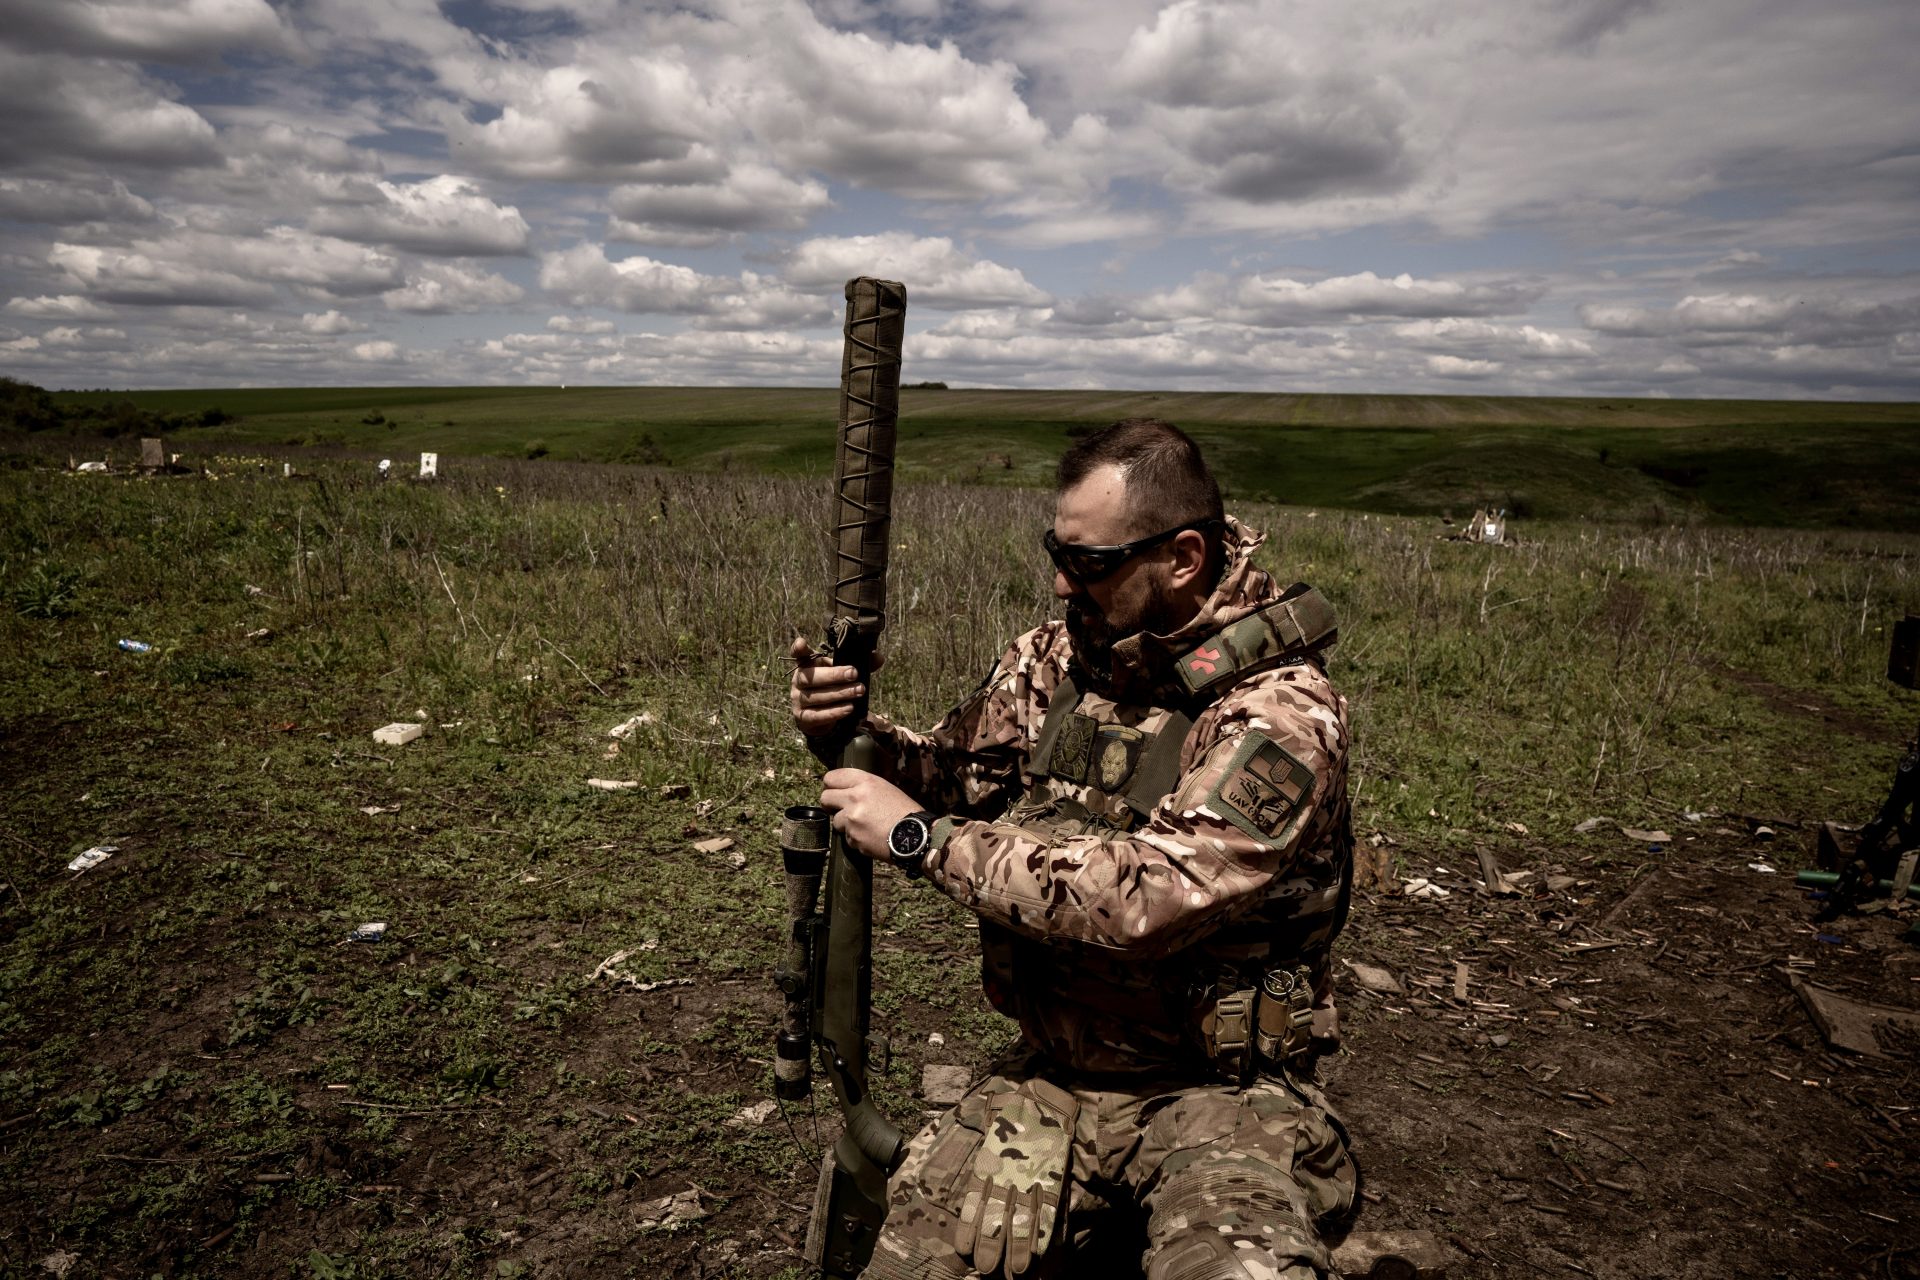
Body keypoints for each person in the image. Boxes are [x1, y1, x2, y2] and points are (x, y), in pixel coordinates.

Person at [790, 419, 1356, 1280]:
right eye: (1056, 551)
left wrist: (917, 839)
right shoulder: (1056, 660)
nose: (1061, 580)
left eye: (1089, 561)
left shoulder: (1281, 712)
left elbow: (1149, 898)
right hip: (1049, 1080)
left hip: (1221, 1098)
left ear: (1184, 557)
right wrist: (851, 736)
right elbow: (952, 774)